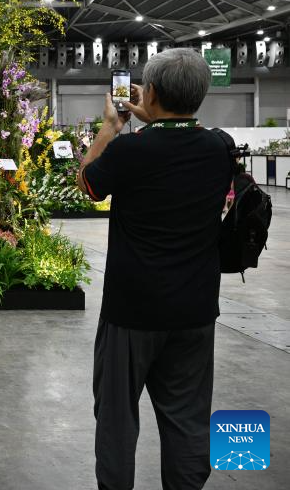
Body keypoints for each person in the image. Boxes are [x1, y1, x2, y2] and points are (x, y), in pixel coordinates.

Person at [77, 47, 232, 490]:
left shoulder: (130, 151)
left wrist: (111, 127)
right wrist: (158, 119)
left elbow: (88, 183)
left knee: (117, 418)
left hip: (133, 310)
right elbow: (180, 140)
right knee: (187, 418)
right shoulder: (219, 147)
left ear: (153, 92)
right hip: (196, 310)